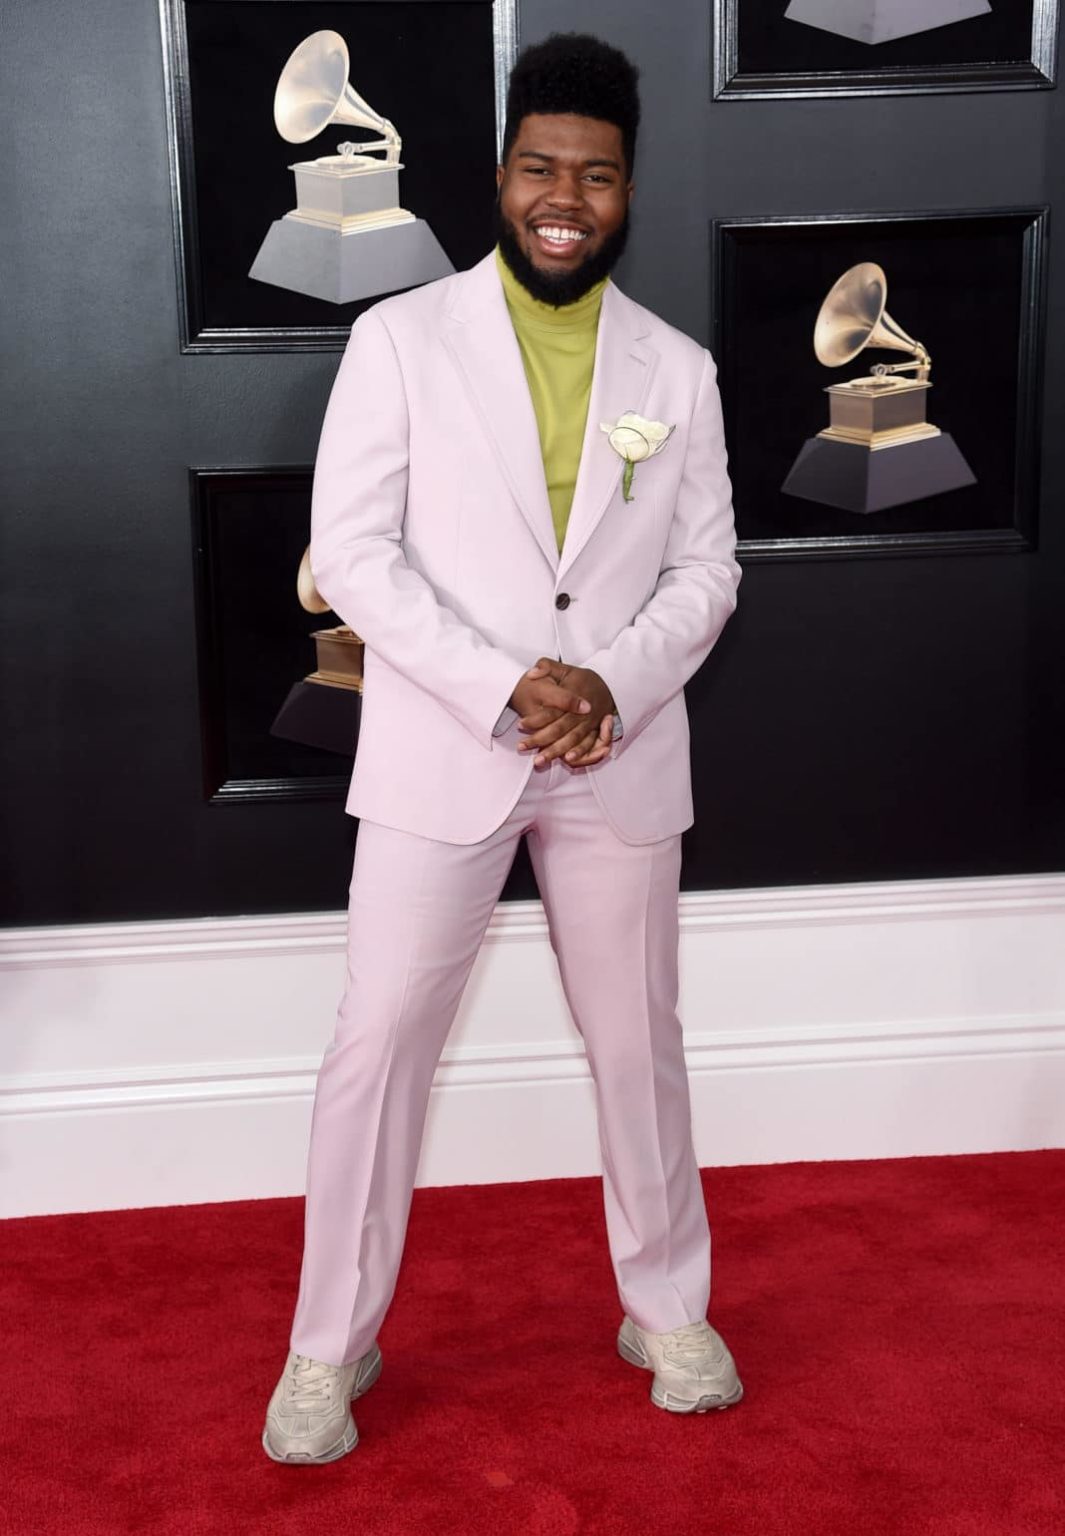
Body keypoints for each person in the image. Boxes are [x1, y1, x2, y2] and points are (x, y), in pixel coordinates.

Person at [263, 32, 743, 1465]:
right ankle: (325, 1346)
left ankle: (665, 1306)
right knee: (377, 1047)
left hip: (620, 749)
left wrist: (602, 685)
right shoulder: (399, 339)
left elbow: (707, 572)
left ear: (625, 194)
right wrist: (508, 687)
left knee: (636, 1044)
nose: (564, 196)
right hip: (439, 751)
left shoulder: (684, 367)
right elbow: (350, 554)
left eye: (594, 176)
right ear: (498, 178)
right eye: (541, 167)